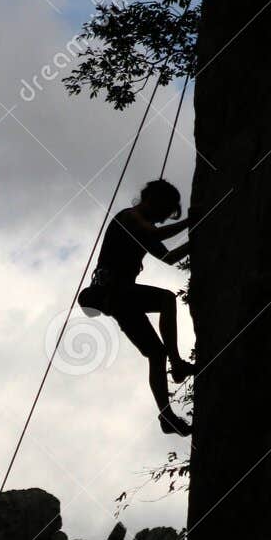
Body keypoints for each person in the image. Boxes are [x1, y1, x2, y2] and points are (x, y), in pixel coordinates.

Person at [81, 178, 194, 436]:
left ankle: (166, 416)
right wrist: (190, 222)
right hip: (116, 292)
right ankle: (177, 363)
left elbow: (169, 257)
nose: (161, 220)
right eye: (164, 213)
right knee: (166, 300)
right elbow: (155, 234)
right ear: (153, 200)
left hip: (118, 299)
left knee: (156, 354)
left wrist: (196, 237)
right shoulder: (129, 217)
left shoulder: (144, 230)